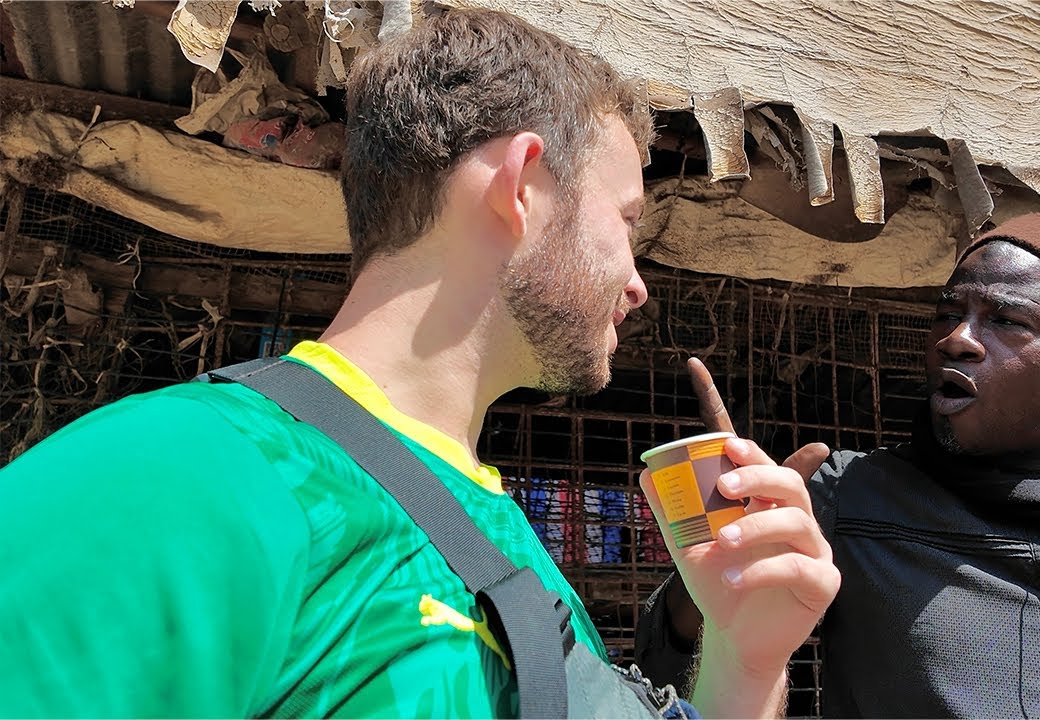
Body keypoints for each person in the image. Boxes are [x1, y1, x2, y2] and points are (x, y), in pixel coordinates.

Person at [0, 9, 838, 718]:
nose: (638, 284)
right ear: (521, 186)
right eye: (624, 220)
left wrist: (745, 654)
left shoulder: (500, 536)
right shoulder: (193, 474)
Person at [637, 212, 1040, 718]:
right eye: (949, 313)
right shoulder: (848, 499)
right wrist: (716, 600)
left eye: (1005, 321)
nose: (957, 338)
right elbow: (671, 692)